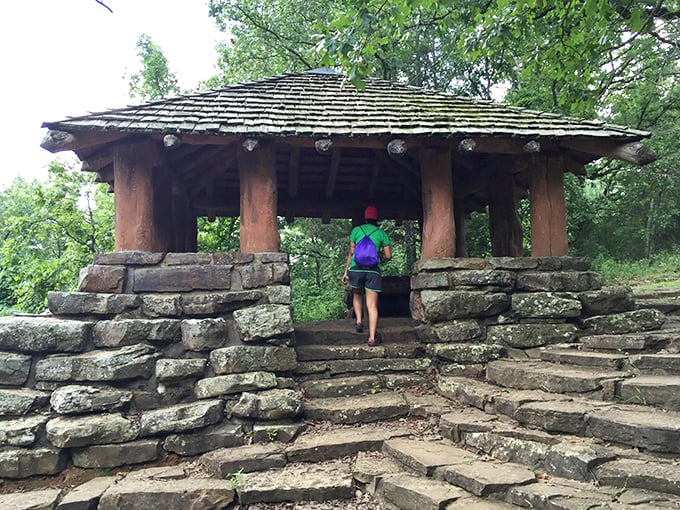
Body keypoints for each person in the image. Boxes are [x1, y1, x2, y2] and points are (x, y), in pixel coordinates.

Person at [342, 205, 392, 346]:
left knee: (357, 295)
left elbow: (352, 254)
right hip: (373, 271)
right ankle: (371, 338)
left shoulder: (356, 230)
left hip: (356, 269)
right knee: (372, 305)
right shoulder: (381, 234)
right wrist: (379, 253)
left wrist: (346, 272)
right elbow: (388, 256)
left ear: (365, 217)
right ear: (377, 218)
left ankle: (359, 321)